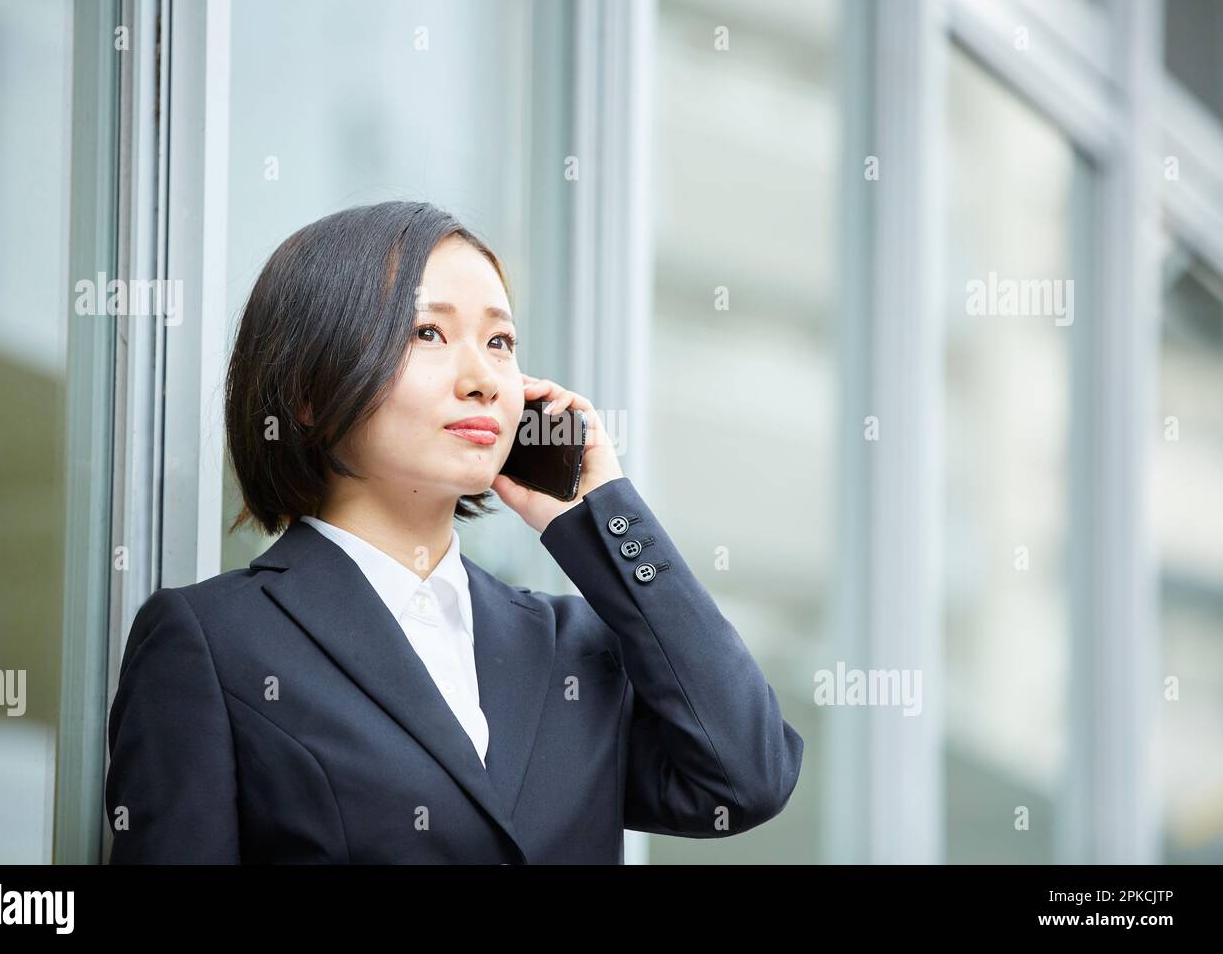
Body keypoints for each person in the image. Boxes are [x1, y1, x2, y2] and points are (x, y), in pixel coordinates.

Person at [104, 200, 804, 864]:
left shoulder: (569, 648)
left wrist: (606, 513)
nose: (482, 378)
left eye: (500, 341)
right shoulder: (214, 642)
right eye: (427, 333)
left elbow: (745, 776)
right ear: (311, 393)